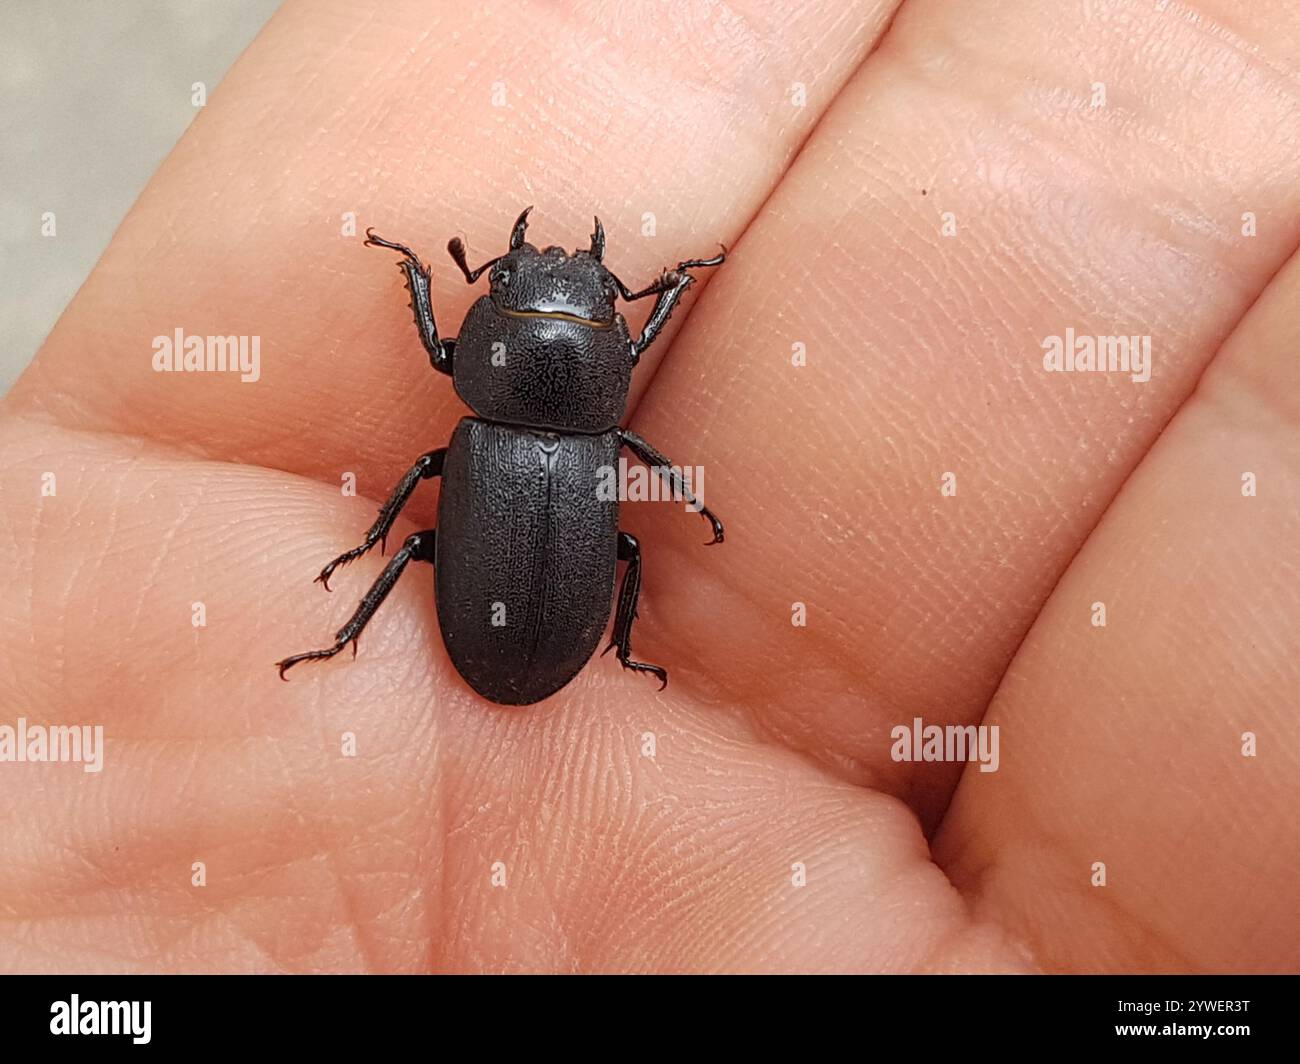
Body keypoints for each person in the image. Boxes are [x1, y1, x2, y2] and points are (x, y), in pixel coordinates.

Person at [1, 0, 1296, 973]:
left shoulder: (474, 411)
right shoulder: (587, 442)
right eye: (532, 283)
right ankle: (539, 637)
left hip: (513, 559)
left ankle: (379, 622)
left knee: (418, 536)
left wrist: (423, 267)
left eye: (533, 286)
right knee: (583, 549)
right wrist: (673, 291)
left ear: (491, 329)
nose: (547, 277)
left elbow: (423, 418)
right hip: (555, 589)